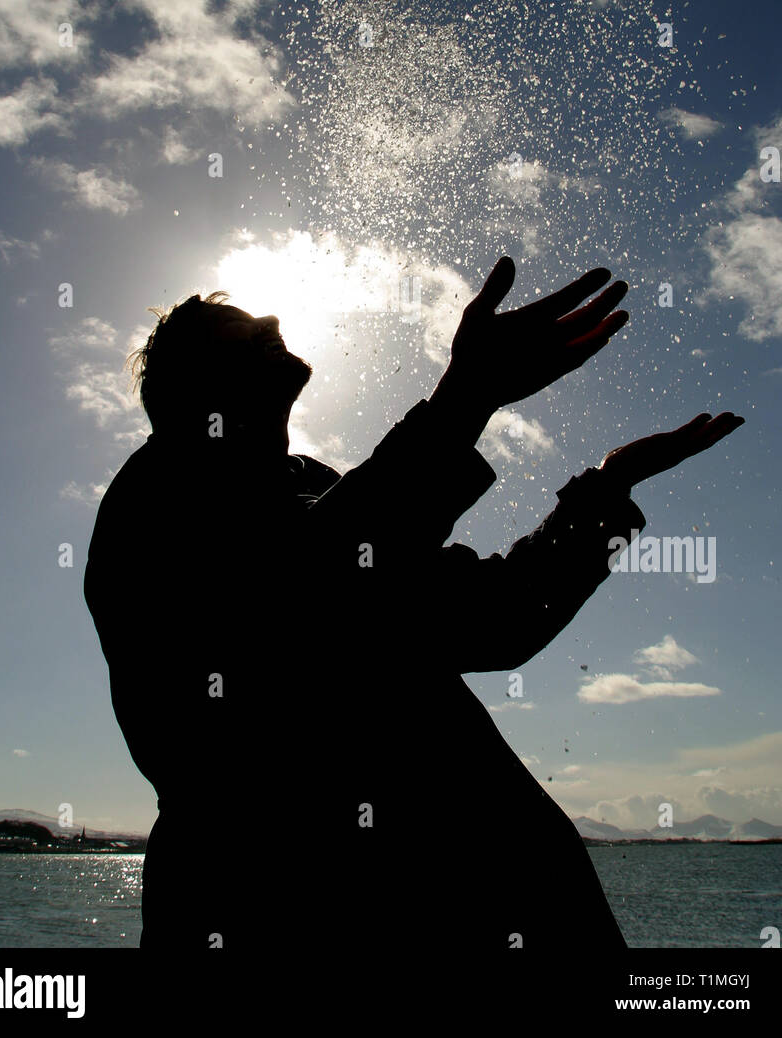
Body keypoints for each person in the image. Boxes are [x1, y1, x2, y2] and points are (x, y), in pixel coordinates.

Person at [83, 256, 743, 963]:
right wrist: (468, 395)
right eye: (237, 328)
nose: (271, 318)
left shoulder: (310, 486)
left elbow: (495, 619)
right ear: (195, 386)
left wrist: (606, 493)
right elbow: (306, 598)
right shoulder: (154, 505)